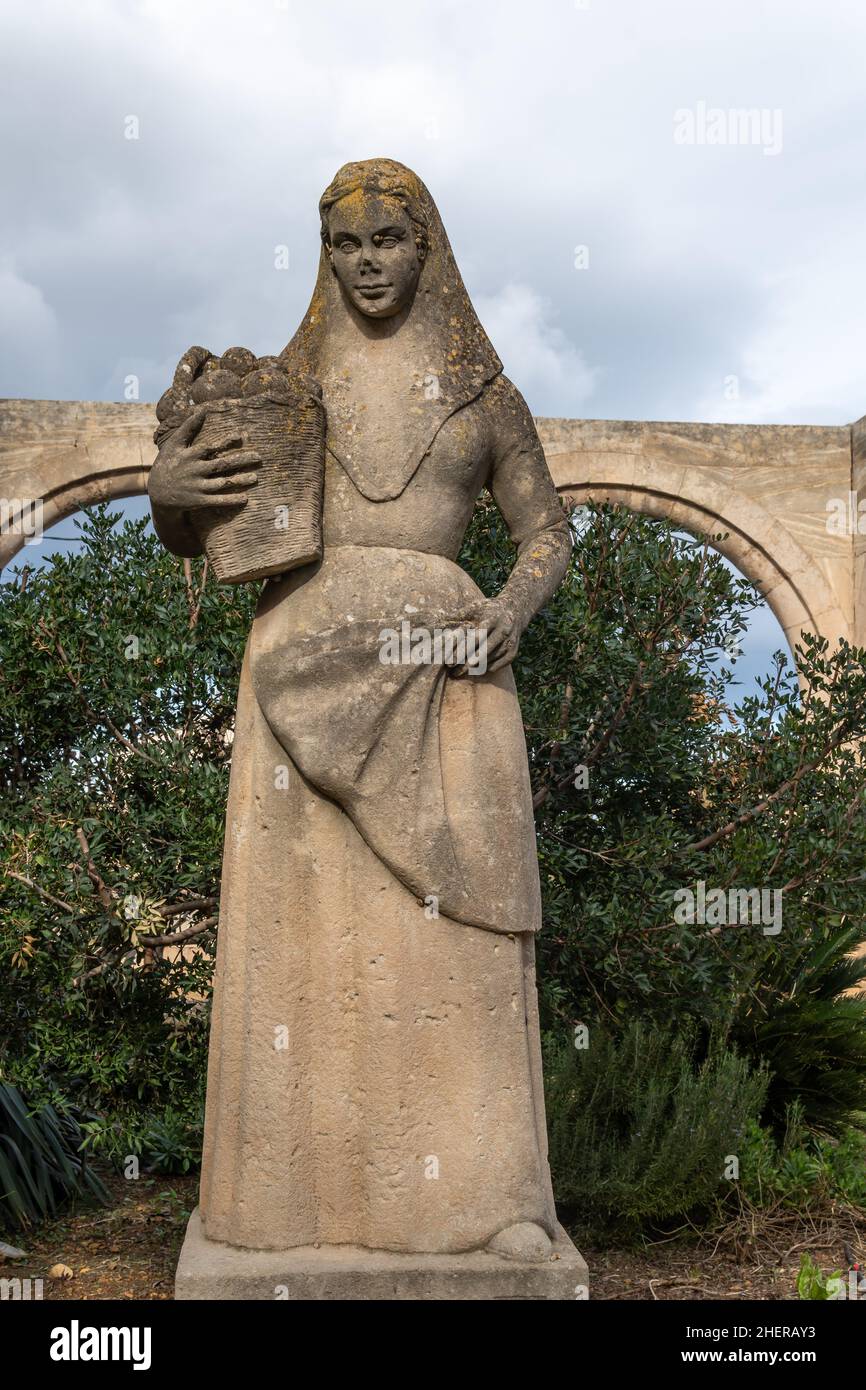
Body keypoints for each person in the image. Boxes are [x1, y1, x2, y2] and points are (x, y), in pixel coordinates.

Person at [148, 159, 572, 1258]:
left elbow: (547, 532)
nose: (367, 262)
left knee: (455, 942)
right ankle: (283, 1213)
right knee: (304, 949)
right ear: (324, 257)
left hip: (448, 674)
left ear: (426, 247)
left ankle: (481, 1210)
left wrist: (509, 611)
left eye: (387, 240)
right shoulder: (281, 388)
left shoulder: (483, 396)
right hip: (299, 663)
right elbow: (205, 520)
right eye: (346, 245)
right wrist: (167, 500)